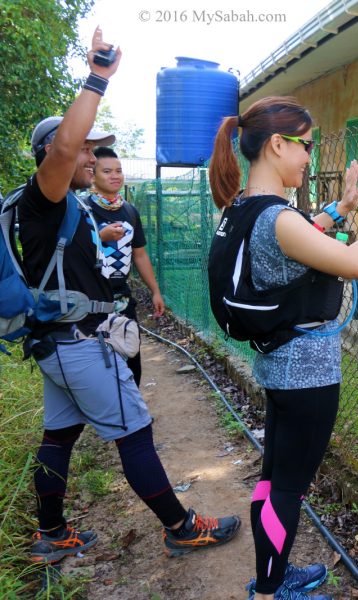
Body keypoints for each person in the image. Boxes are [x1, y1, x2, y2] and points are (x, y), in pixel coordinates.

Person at [19, 27, 239, 565]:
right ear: (53, 155)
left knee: (59, 436)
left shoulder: (63, 207)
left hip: (58, 344)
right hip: (79, 345)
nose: (91, 158)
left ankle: (51, 532)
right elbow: (65, 147)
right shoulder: (44, 194)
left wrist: (103, 236)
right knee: (135, 432)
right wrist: (97, 77)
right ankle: (181, 527)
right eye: (86, 151)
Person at [207, 96, 358, 600]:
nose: (310, 157)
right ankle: (270, 590)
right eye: (306, 145)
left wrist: (340, 210)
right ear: (276, 145)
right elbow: (354, 263)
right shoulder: (278, 218)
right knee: (288, 488)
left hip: (279, 366)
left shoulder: (243, 208)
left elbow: (302, 236)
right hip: (308, 376)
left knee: (273, 479)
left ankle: (274, 575)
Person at [89, 146, 164, 385]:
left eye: (118, 171)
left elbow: (139, 255)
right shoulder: (83, 210)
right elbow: (70, 251)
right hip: (89, 302)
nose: (115, 176)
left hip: (123, 301)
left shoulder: (130, 211)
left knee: (132, 362)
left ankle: (131, 406)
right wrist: (100, 237)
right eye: (107, 171)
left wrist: (155, 291)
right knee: (98, 365)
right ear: (92, 175)